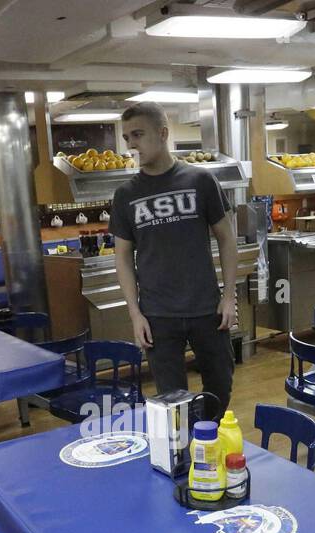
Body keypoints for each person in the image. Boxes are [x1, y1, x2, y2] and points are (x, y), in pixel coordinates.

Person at [110, 101, 238, 413]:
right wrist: (135, 314)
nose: (131, 145)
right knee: (171, 402)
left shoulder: (200, 181)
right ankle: (182, 456)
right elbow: (123, 258)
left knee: (221, 386)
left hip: (207, 309)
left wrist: (229, 297)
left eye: (137, 135)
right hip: (158, 316)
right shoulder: (125, 195)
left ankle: (208, 446)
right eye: (126, 138)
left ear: (163, 133)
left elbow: (227, 238)